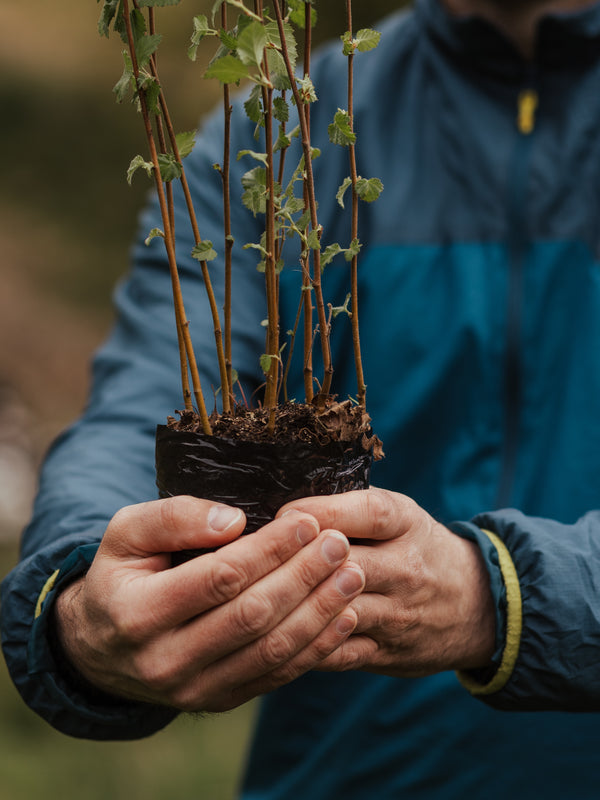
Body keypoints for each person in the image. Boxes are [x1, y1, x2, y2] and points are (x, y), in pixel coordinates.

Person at [3, 0, 600, 795]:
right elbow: (141, 407)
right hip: (343, 773)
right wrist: (76, 597)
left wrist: (498, 596)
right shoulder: (283, 124)